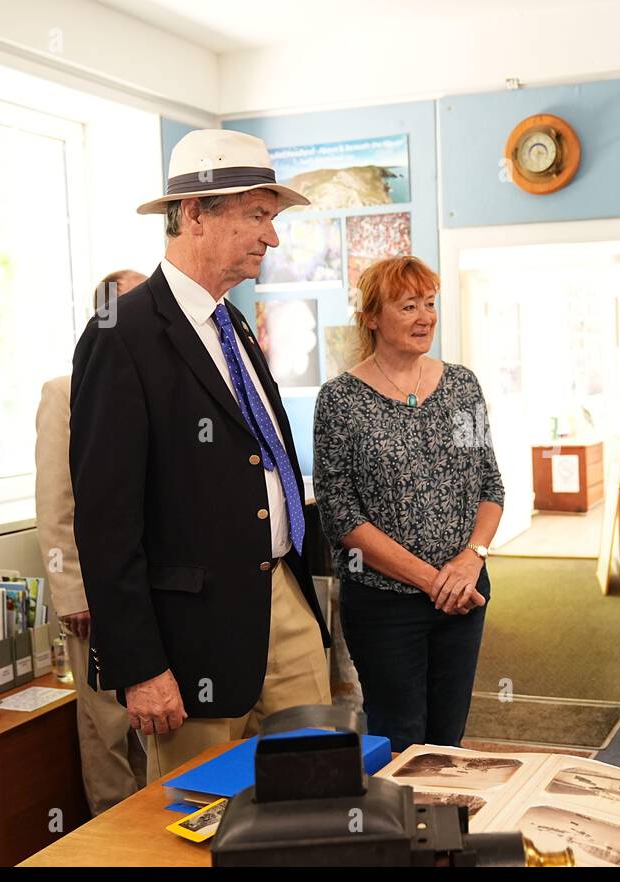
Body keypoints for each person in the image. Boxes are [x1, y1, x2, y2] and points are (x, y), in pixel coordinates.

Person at [69, 129, 331, 782]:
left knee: (315, 794)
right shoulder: (121, 335)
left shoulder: (233, 324)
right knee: (202, 823)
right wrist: (141, 667)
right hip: (194, 639)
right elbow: (106, 525)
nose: (271, 237)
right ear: (193, 214)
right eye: (258, 216)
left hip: (284, 601)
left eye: (271, 219)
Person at [313, 256, 504, 752]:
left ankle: (446, 829)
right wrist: (431, 580)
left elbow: (490, 486)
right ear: (372, 317)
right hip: (383, 605)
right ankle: (397, 830)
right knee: (398, 740)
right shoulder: (340, 399)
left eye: (430, 304)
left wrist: (470, 560)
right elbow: (341, 516)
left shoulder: (463, 388)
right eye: (408, 306)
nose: (426, 317)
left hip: (464, 597)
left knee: (448, 739)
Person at [36, 269, 147, 813]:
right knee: (106, 722)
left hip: (150, 586)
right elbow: (56, 502)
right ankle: (113, 832)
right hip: (92, 594)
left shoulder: (156, 383)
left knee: (154, 719)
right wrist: (73, 592)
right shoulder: (64, 392)